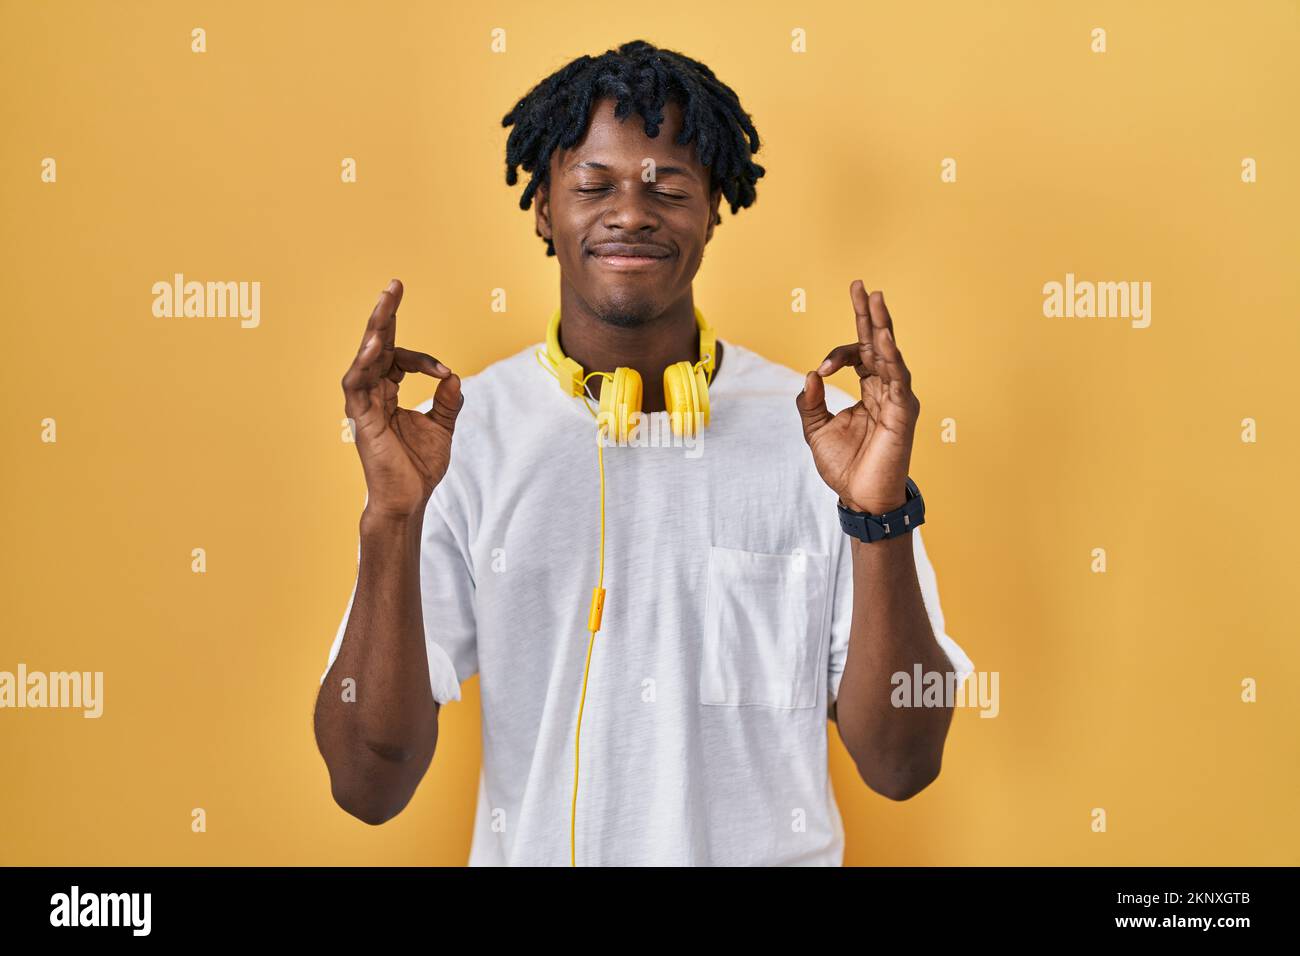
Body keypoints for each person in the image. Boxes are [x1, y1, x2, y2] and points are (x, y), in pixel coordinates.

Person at [314, 39, 973, 866]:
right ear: (544, 211)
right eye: (594, 185)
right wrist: (392, 518)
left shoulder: (829, 439)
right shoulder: (457, 438)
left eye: (670, 186)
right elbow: (366, 784)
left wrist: (879, 517)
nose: (632, 211)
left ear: (713, 213)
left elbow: (904, 765)